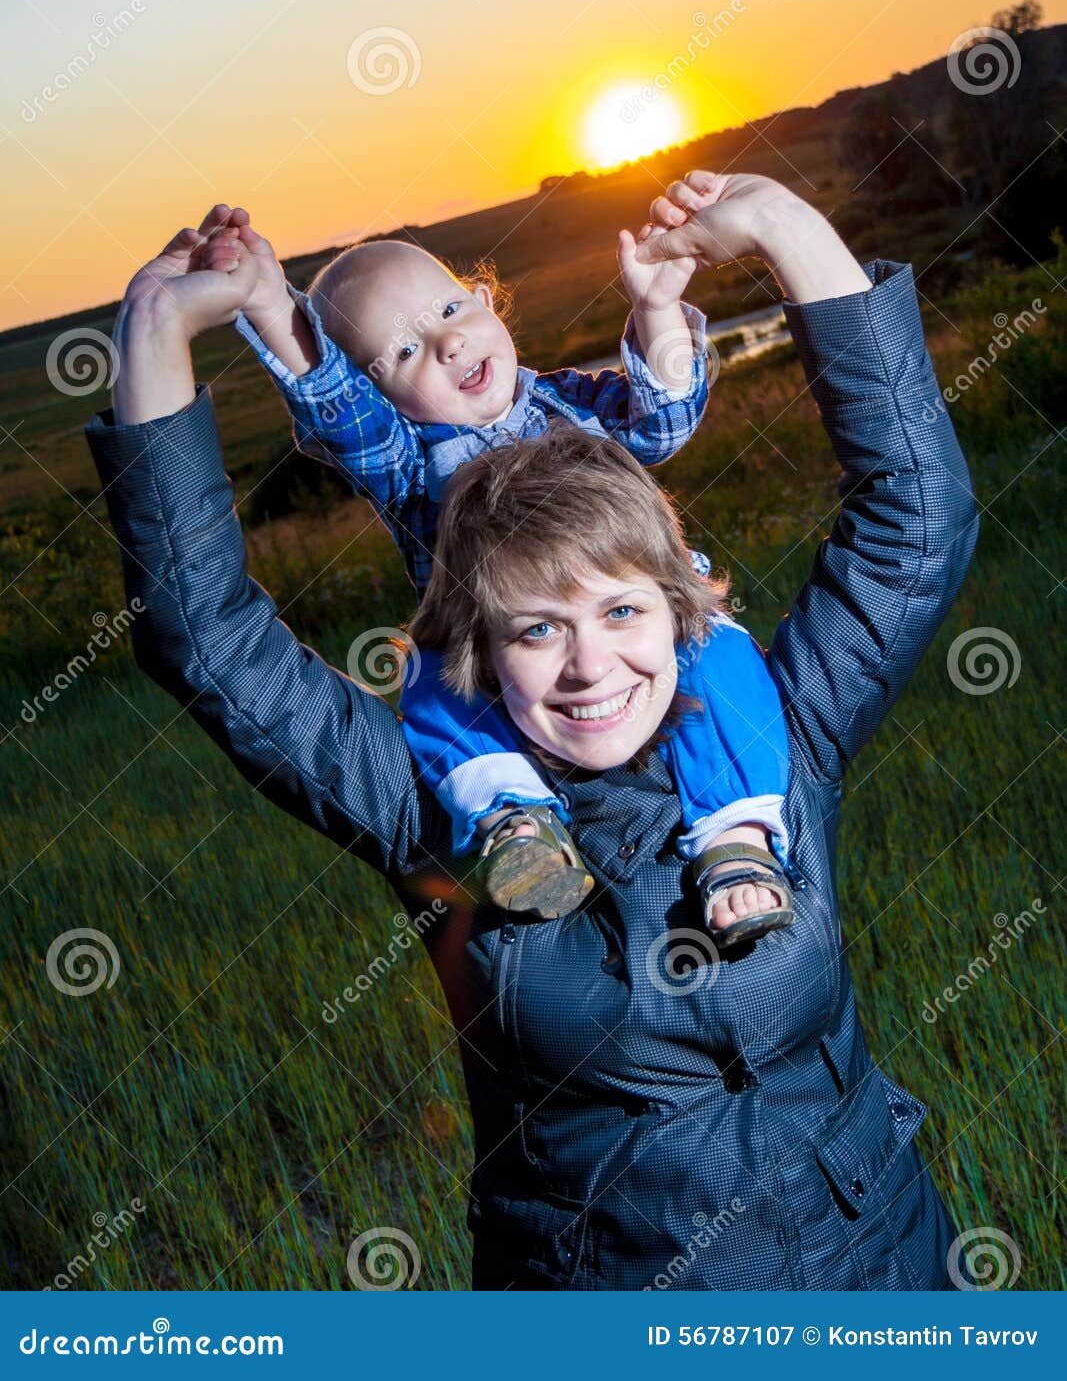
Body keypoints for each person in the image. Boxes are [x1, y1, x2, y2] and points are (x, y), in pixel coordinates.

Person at [85, 170, 979, 1290]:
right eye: (533, 628)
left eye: (620, 611)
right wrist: (159, 328)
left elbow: (914, 521)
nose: (591, 665)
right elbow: (205, 641)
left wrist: (779, 228)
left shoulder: (776, 724)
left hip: (885, 1276)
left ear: (682, 603)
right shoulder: (433, 802)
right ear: (472, 640)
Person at [187, 195, 791, 941]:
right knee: (431, 681)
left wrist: (657, 307)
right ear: (379, 393)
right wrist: (269, 301)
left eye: (447, 310)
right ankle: (517, 822)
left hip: (651, 617)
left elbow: (662, 420)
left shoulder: (569, 404)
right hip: (492, 652)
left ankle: (735, 841)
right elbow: (334, 406)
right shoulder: (407, 464)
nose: (443, 344)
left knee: (726, 657)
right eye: (403, 352)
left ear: (484, 299)